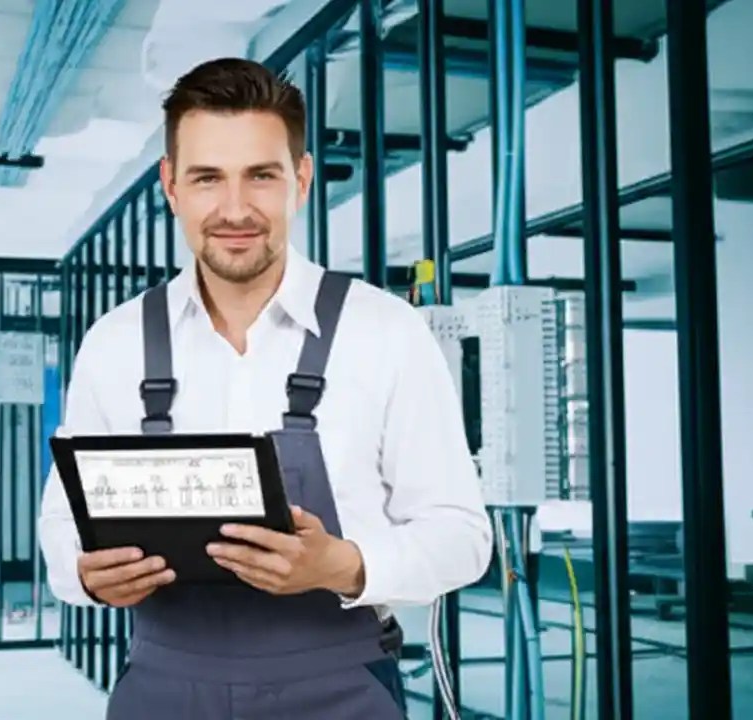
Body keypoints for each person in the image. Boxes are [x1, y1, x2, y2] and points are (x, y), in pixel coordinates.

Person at [38, 57, 492, 719]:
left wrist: (344, 565)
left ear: (301, 180)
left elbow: (462, 536)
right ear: (170, 185)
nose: (234, 208)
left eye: (261, 175)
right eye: (206, 178)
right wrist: (83, 572)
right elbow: (61, 523)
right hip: (163, 690)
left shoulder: (387, 332)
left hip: (342, 692)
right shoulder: (115, 343)